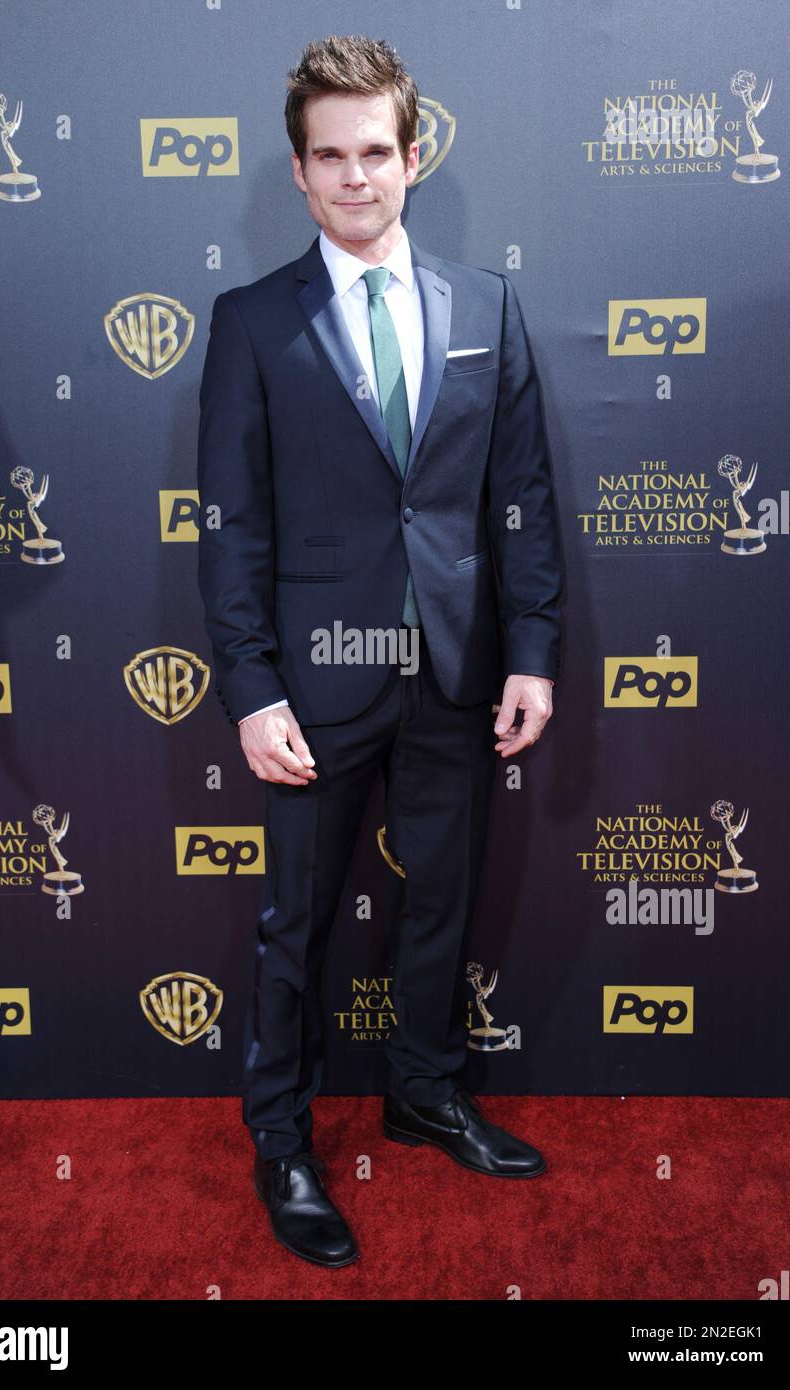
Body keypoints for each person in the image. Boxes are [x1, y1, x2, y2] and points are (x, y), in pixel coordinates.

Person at [197, 34, 563, 1268]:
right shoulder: (250, 323)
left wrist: (533, 650)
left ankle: (422, 1090)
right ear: (298, 174)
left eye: (375, 152)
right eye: (328, 157)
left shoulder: (485, 305)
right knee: (292, 922)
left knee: (439, 901)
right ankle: (282, 1139)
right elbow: (233, 522)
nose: (355, 177)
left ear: (413, 155)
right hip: (310, 681)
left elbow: (518, 492)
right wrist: (249, 688)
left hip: (455, 672)